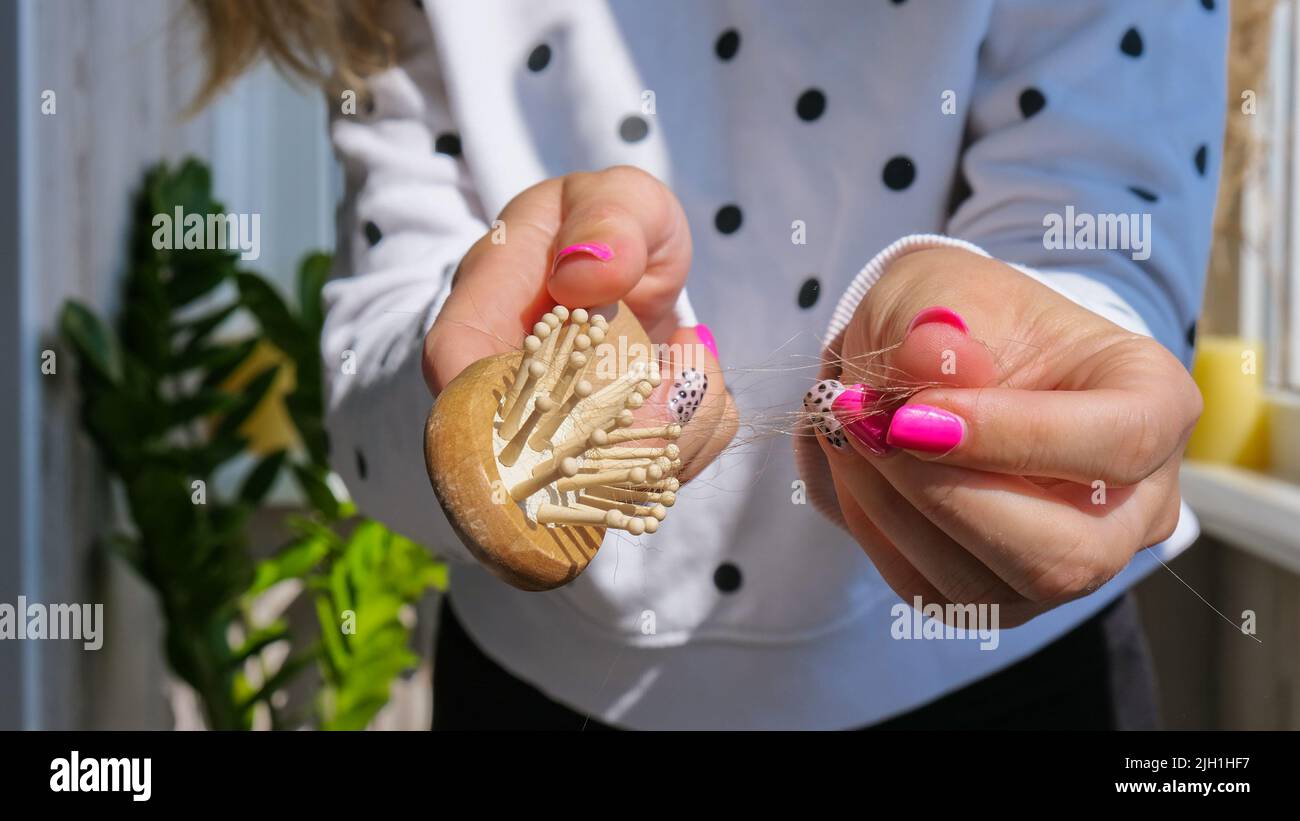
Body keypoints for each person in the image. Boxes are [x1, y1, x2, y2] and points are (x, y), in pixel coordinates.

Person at [191, 0, 1225, 730]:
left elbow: (1101, 242)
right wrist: (488, 390)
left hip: (1023, 690)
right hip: (532, 692)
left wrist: (1042, 367)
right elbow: (374, 359)